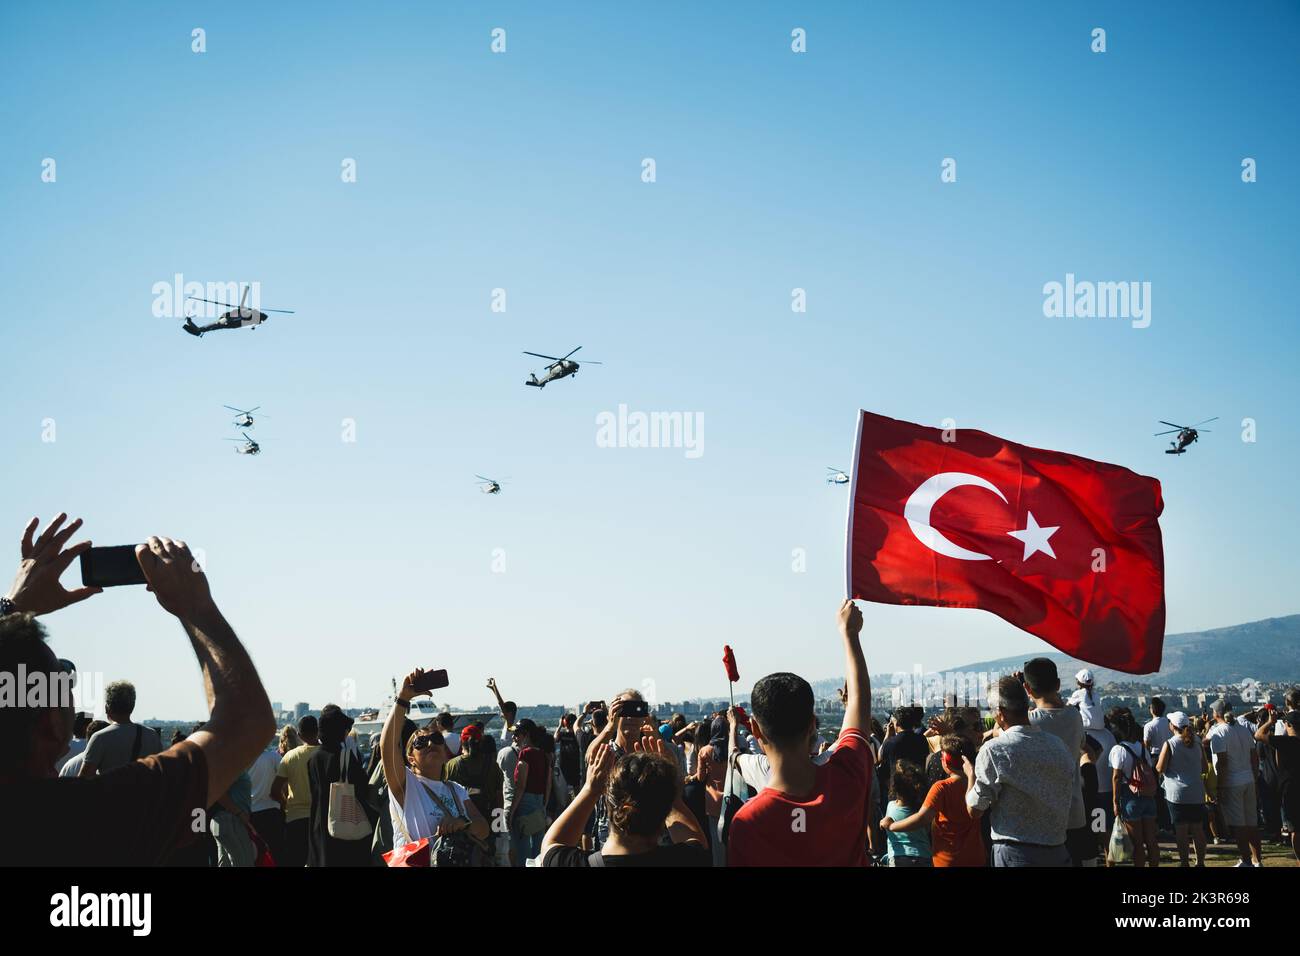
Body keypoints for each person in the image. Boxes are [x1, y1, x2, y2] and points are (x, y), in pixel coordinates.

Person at [0, 515, 275, 866]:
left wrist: (10, 610)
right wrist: (195, 606)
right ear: (50, 724)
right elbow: (246, 723)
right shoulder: (92, 818)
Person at [728, 599, 873, 867]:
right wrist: (849, 635)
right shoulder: (847, 775)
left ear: (756, 729)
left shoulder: (748, 823)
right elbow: (859, 706)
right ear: (812, 725)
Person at [541, 735, 709, 866]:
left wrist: (590, 789)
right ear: (664, 811)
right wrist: (669, 786)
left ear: (609, 801)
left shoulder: (571, 862)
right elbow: (697, 840)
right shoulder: (687, 860)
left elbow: (552, 843)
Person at [381, 669, 490, 864]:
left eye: (436, 738)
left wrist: (462, 823)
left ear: (446, 750)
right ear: (410, 759)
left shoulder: (456, 789)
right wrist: (403, 699)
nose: (430, 744)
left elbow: (483, 828)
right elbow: (387, 746)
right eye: (420, 743)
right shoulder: (406, 786)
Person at [966, 676, 1074, 866]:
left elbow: (975, 810)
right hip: (1058, 849)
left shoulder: (995, 750)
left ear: (1000, 713)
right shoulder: (1058, 746)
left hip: (1015, 853)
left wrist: (970, 777)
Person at [1022, 658, 1092, 866]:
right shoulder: (1074, 717)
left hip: (1040, 819)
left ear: (1027, 688)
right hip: (1073, 812)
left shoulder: (1028, 722)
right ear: (1058, 685)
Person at [885, 735, 984, 867]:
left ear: (946, 761)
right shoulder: (979, 784)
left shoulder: (941, 787)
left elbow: (922, 818)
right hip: (976, 857)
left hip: (947, 859)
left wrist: (892, 826)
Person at [306, 704, 375, 866]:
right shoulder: (344, 757)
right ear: (338, 731)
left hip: (319, 824)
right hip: (343, 825)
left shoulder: (313, 758)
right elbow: (362, 788)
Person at [1207, 698, 1261, 866]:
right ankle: (1257, 860)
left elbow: (1221, 763)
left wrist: (1220, 786)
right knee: (1252, 823)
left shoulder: (1218, 733)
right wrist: (1254, 778)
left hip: (1232, 782)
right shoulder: (1244, 730)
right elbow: (1254, 758)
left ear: (1217, 714)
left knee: (1239, 825)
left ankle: (1245, 860)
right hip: (1248, 779)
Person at [1107, 706, 1160, 867]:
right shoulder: (1142, 748)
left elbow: (1116, 777)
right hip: (1148, 795)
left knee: (1137, 843)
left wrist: (1115, 802)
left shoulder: (1119, 750)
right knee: (1151, 841)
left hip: (1130, 797)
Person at [79, 680, 163, 776]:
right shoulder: (152, 736)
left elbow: (84, 779)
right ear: (132, 706)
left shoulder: (99, 738)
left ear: (107, 707)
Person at [1156, 712, 1207, 867]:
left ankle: (1184, 862)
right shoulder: (1197, 742)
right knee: (1198, 829)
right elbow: (1204, 767)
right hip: (1196, 791)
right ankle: (1200, 862)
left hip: (1177, 794)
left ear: (1173, 726)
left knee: (1182, 831)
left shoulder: (1170, 744)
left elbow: (1160, 768)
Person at [273, 715, 320, 868]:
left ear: (300, 735)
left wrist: (286, 805)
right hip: (321, 818)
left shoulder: (289, 757)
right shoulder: (327, 754)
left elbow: (274, 790)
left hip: (295, 819)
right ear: (318, 731)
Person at [1255, 709, 1300, 864]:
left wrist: (1270, 722)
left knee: (1295, 829)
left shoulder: (1285, 742)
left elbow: (1258, 735)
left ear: (1288, 724)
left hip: (1291, 789)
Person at [444, 723, 504, 830]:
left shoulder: (451, 765)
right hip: (489, 821)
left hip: (462, 825)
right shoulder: (492, 765)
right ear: (481, 742)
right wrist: (499, 826)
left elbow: (445, 796)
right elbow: (499, 796)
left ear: (461, 742)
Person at [509, 722, 550, 865]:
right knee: (537, 853)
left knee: (523, 854)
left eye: (517, 734)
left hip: (525, 805)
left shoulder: (525, 754)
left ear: (526, 735)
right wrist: (543, 805)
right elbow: (548, 784)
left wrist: (511, 812)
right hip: (539, 805)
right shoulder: (543, 755)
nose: (514, 737)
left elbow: (521, 786)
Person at [879, 760, 932, 866]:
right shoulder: (922, 810)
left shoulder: (891, 807)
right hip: (923, 856)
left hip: (898, 857)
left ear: (894, 787)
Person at [248, 735, 285, 865]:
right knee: (277, 853)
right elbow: (285, 781)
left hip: (251, 814)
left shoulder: (243, 760)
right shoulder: (273, 757)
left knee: (257, 856)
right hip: (272, 811)